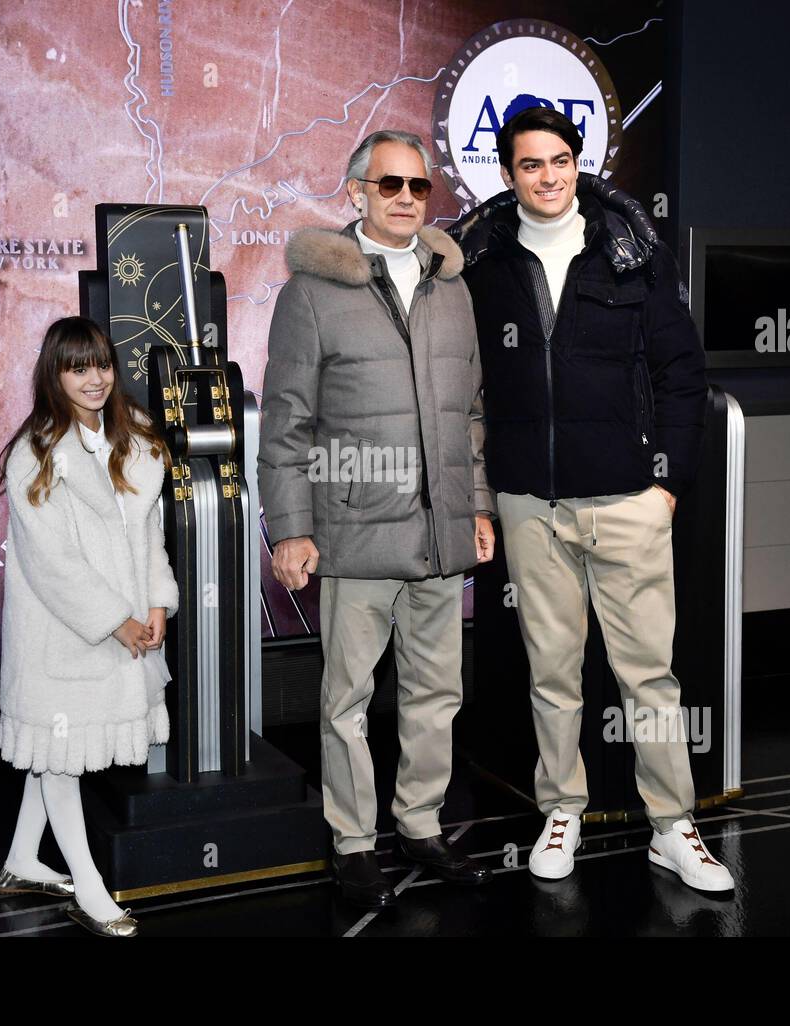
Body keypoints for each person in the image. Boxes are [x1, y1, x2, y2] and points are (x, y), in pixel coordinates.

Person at [450, 105, 735, 892]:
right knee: (553, 673)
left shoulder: (631, 253)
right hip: (529, 505)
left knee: (648, 676)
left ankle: (674, 826)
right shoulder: (481, 263)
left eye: (561, 160)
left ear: (579, 163)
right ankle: (561, 810)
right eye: (531, 164)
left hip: (627, 502)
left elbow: (684, 373)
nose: (548, 176)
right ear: (507, 174)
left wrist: (667, 485)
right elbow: (468, 388)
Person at [258, 129, 496, 909]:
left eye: (418, 187)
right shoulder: (312, 294)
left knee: (436, 694)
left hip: (440, 536)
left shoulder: (452, 286)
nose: (404, 197)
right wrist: (291, 529)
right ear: (355, 190)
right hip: (355, 535)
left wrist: (479, 506)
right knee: (347, 701)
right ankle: (354, 843)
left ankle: (420, 824)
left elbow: (470, 416)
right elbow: (286, 425)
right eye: (388, 183)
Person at [0, 315, 179, 936]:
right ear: (54, 374)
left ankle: (21, 860)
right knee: (60, 756)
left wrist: (156, 603)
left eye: (101, 364)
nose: (93, 378)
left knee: (54, 752)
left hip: (123, 629)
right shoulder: (35, 453)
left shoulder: (137, 437)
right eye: (76, 366)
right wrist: (116, 622)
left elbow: (149, 532)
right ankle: (90, 890)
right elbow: (53, 565)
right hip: (60, 636)